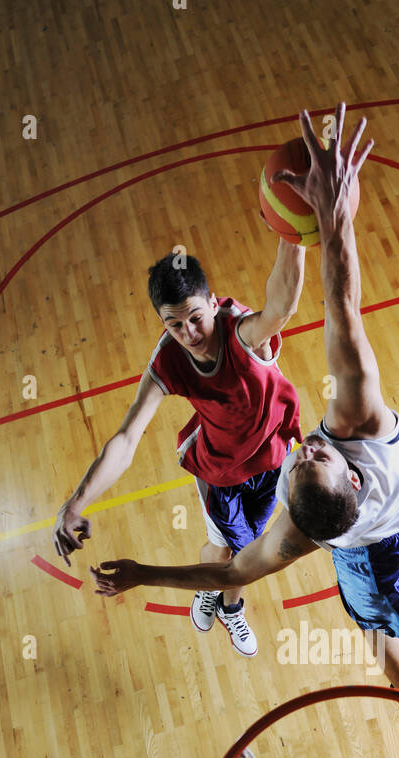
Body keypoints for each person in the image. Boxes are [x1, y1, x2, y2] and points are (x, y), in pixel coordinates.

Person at [92, 104, 399, 725]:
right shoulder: (362, 421)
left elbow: (236, 570)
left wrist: (145, 573)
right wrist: (332, 220)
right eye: (315, 454)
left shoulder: (307, 532)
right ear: (349, 477)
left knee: (375, 617)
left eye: (302, 459)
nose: (308, 448)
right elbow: (345, 306)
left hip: (376, 540)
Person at [52, 237, 305, 657]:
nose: (189, 333)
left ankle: (210, 586)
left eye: (195, 317)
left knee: (239, 545)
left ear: (211, 301)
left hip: (271, 455)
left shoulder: (243, 332)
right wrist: (76, 503)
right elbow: (126, 438)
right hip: (218, 470)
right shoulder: (168, 359)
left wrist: (291, 234)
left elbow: (280, 308)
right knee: (239, 552)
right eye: (173, 324)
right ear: (161, 321)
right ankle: (229, 604)